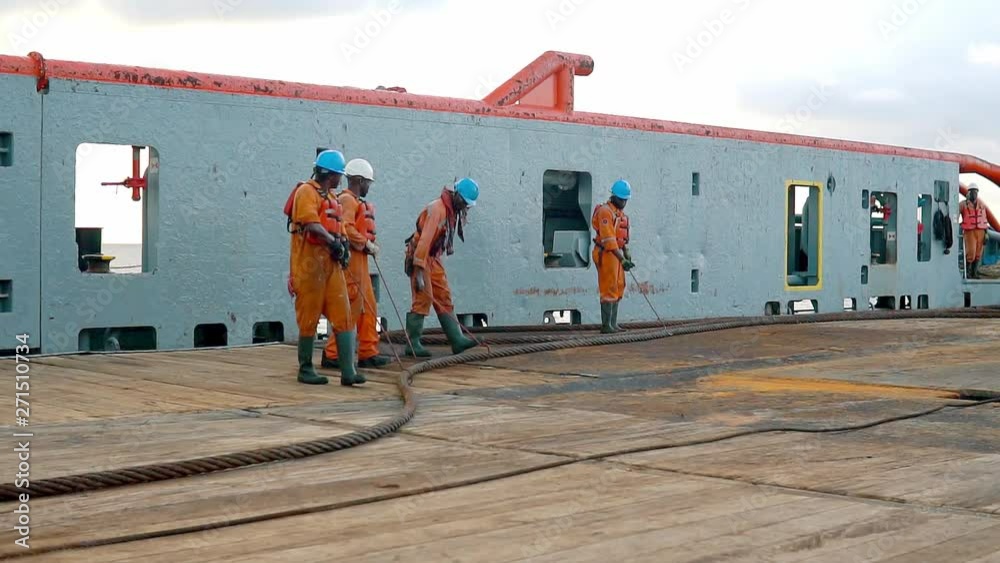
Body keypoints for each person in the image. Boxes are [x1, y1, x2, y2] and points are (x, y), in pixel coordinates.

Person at [285, 150, 365, 386]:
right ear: (331, 175)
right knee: (308, 317)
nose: (341, 179)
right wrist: (333, 243)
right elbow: (311, 224)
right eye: (339, 175)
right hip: (309, 267)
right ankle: (305, 369)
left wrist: (344, 246)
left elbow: (339, 227)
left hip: (332, 267)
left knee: (343, 314)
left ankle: (348, 371)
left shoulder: (331, 197)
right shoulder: (306, 192)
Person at [322, 158, 391, 369]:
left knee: (368, 308)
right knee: (350, 310)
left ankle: (368, 352)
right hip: (350, 265)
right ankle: (332, 354)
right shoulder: (347, 201)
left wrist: (367, 246)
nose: (369, 186)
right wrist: (366, 243)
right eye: (368, 182)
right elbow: (347, 229)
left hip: (360, 264)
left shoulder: (354, 201)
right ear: (359, 180)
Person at [402, 178, 480, 357]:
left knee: (443, 295)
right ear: (456, 195)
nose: (465, 207)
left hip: (433, 258)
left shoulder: (451, 211)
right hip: (421, 256)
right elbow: (424, 240)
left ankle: (457, 340)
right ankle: (412, 344)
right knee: (423, 297)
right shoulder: (437, 209)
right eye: (464, 202)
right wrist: (419, 270)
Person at [591, 179, 634, 334]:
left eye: (626, 200)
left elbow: (618, 235)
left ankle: (613, 324)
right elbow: (608, 239)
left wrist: (625, 251)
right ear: (614, 197)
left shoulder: (618, 213)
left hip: (616, 254)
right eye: (622, 199)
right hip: (606, 254)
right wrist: (622, 259)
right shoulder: (605, 212)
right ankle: (606, 325)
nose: (624, 203)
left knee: (619, 285)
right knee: (609, 288)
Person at [960, 184, 990, 279]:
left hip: (981, 231)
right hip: (970, 232)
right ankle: (968, 273)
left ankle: (974, 273)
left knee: (978, 254)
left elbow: (984, 219)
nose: (974, 194)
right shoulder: (963, 204)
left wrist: (986, 233)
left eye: (975, 192)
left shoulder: (981, 204)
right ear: (968, 193)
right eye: (972, 191)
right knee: (971, 253)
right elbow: (955, 215)